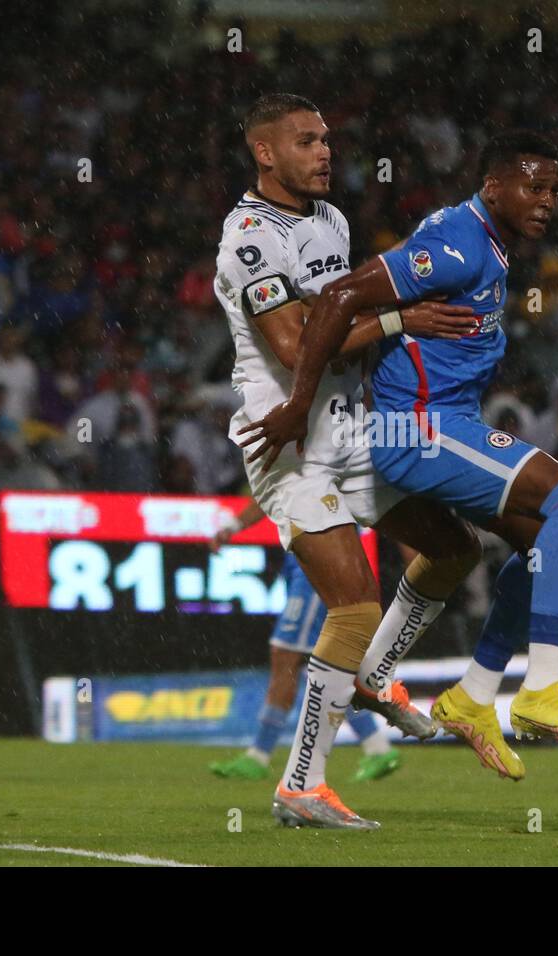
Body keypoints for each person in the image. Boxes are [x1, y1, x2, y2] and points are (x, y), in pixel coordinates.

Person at [241, 129, 558, 784]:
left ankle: (469, 692)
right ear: (493, 187)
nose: (548, 201)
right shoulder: (457, 245)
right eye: (534, 186)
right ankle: (540, 688)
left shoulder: (484, 242)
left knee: (541, 544)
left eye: (555, 189)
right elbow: (338, 298)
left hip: (440, 424)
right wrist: (300, 402)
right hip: (418, 431)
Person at [216, 94, 484, 829]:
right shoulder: (247, 239)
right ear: (265, 154)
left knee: (455, 547)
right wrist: (402, 318)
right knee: (355, 606)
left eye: (327, 140)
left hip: (354, 433)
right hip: (287, 444)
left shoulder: (330, 221)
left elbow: (341, 322)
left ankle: (374, 678)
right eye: (306, 142)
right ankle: (300, 785)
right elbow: (297, 347)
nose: (325, 152)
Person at [206, 501, 402, 784]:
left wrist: (231, 528)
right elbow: (271, 493)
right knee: (329, 664)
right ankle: (376, 747)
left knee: (286, 654)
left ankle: (259, 755)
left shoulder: (313, 462)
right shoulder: (303, 469)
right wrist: (232, 527)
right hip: (308, 558)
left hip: (317, 559)